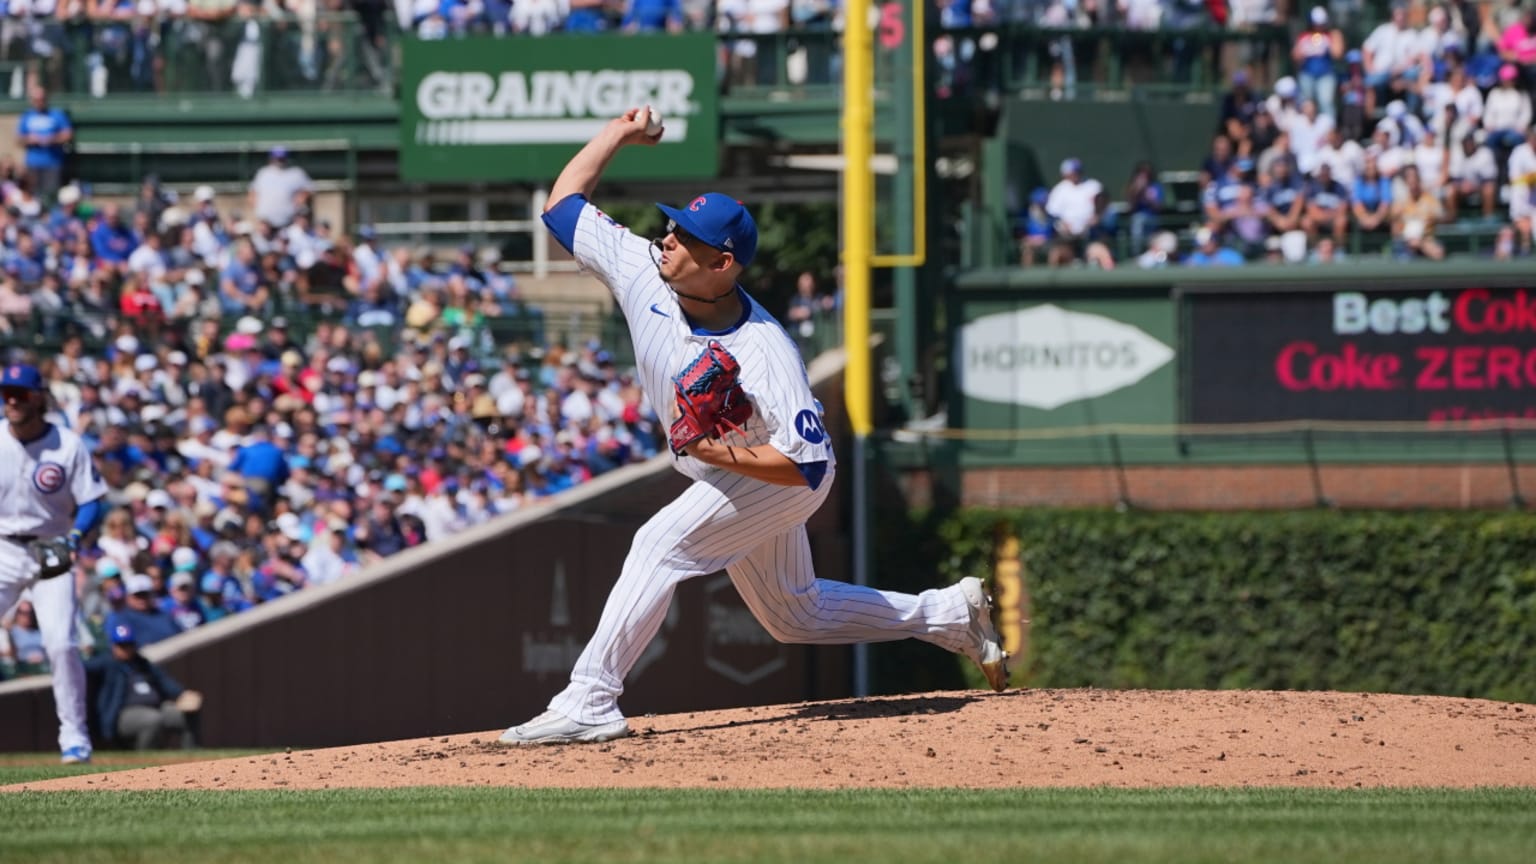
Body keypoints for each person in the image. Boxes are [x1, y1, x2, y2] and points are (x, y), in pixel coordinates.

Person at [499, 108, 1008, 745]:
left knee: (659, 544)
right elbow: (563, 204)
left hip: (780, 473)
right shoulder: (640, 266)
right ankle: (950, 613)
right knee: (795, 614)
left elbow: (811, 466)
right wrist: (619, 135)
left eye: (686, 238)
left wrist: (713, 450)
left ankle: (590, 699)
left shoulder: (767, 352)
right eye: (672, 226)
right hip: (730, 461)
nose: (668, 239)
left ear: (724, 264)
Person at [0, 363, 109, 764]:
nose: (12, 401)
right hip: (4, 549)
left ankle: (75, 738)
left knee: (62, 645)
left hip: (53, 548)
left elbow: (93, 499)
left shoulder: (67, 444)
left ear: (39, 397)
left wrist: (75, 538)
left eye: (20, 393)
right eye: (6, 393)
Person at [85, 622, 202, 751]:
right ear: (113, 646)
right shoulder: (107, 662)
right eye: (121, 645)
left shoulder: (142, 662)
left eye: (129, 645)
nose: (126, 649)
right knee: (153, 719)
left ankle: (192, 754)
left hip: (156, 707)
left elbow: (164, 681)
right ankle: (145, 759)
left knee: (182, 714)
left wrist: (182, 693)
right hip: (123, 714)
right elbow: (84, 667)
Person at [15, 83, 72, 207]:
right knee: (33, 195)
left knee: (51, 196)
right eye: (36, 100)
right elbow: (19, 139)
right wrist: (30, 139)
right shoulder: (27, 116)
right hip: (33, 163)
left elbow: (68, 135)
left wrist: (51, 139)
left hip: (53, 163)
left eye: (42, 99)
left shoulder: (57, 114)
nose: (39, 102)